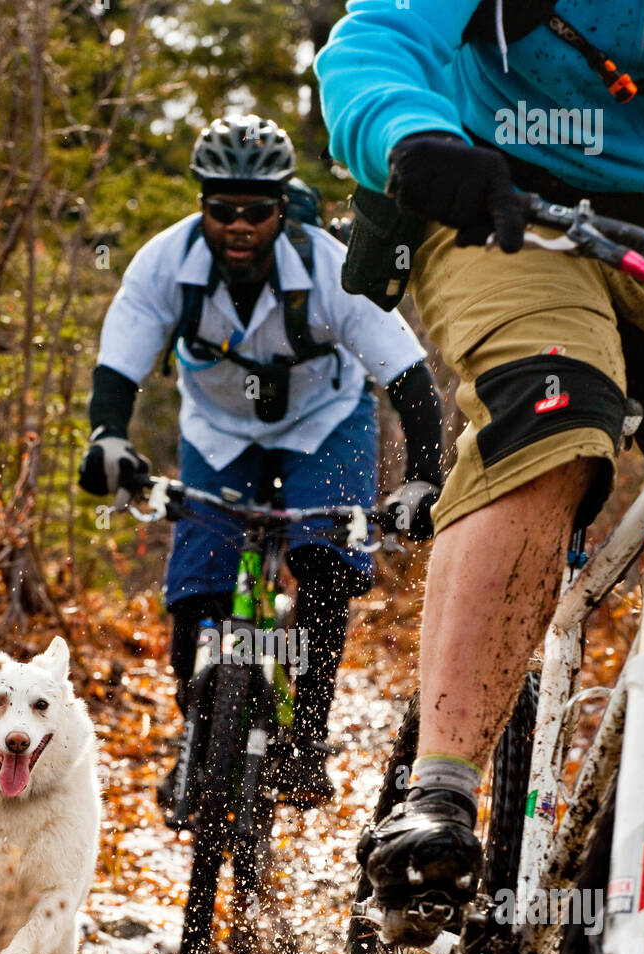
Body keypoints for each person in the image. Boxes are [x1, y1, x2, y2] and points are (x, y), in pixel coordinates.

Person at [314, 1, 644, 940]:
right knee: (557, 410)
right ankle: (438, 792)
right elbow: (380, 42)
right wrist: (414, 135)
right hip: (501, 208)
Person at [81, 114, 444, 808]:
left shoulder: (328, 267)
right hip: (218, 433)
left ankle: (305, 737)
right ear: (201, 207)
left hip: (325, 424)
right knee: (199, 587)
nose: (239, 225)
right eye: (222, 210)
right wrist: (109, 438)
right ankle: (199, 741)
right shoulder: (164, 264)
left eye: (257, 211)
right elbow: (119, 364)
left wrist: (423, 476)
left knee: (324, 559)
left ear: (283, 209)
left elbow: (408, 374)